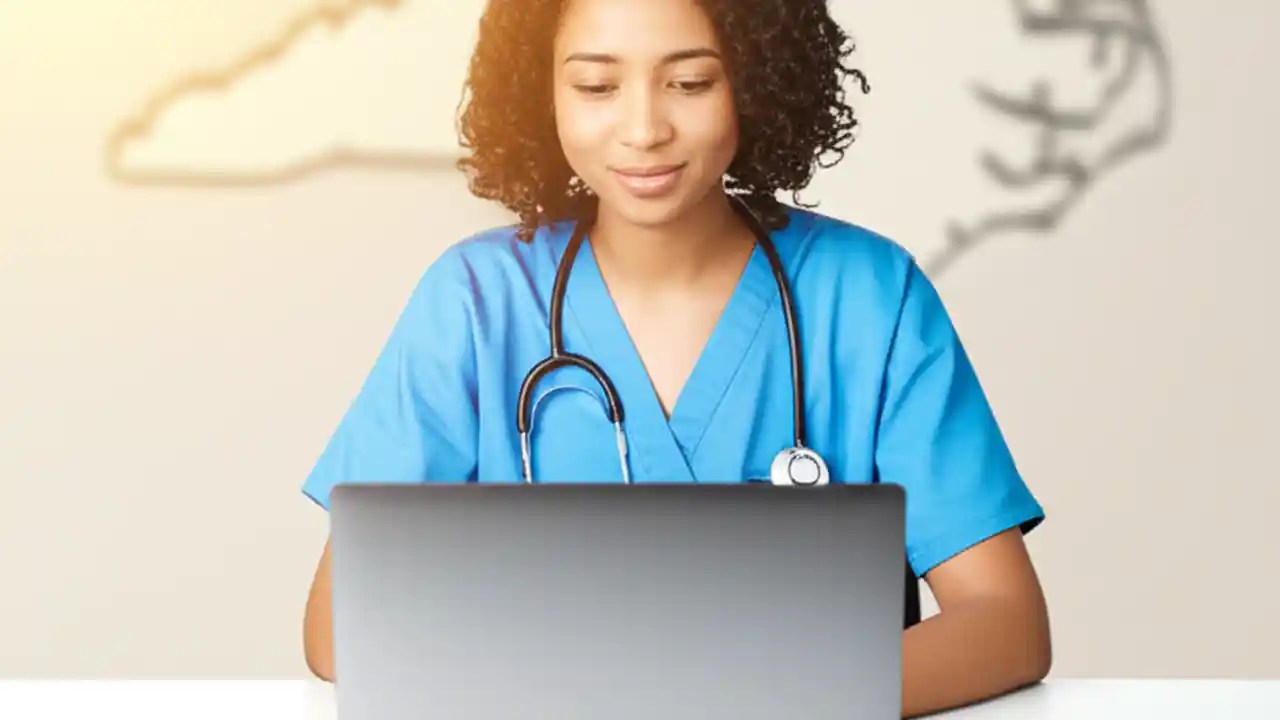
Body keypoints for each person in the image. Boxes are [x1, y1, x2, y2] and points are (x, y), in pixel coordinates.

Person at [300, 0, 1051, 715]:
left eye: (690, 82)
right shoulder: (474, 303)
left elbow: (1006, 623)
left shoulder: (869, 297)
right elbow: (340, 631)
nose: (643, 129)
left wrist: (763, 706)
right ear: (539, 89)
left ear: (757, 79)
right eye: (596, 84)